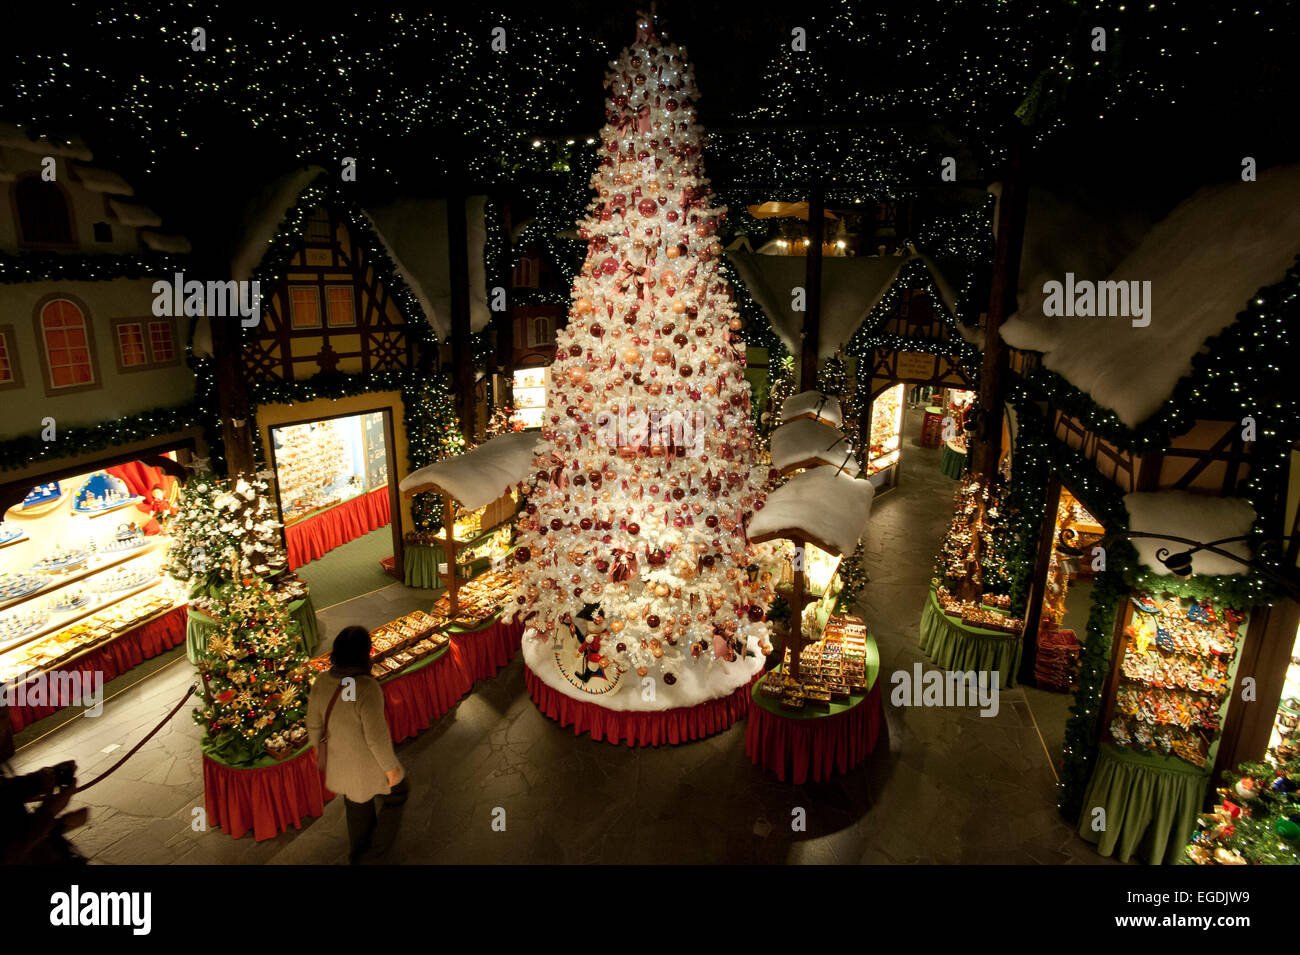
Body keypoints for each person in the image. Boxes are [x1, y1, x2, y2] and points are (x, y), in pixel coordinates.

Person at [306, 626, 406, 864]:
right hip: (364, 764)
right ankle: (370, 855)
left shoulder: (321, 680)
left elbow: (313, 725)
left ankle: (360, 852)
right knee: (398, 793)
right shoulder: (366, 687)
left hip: (339, 764)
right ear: (365, 654)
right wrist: (391, 769)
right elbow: (376, 737)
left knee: (356, 807)